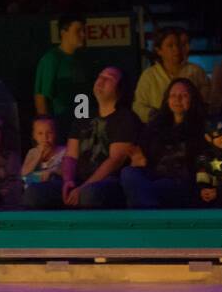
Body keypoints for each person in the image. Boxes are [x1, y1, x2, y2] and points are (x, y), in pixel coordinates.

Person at [28, 66, 139, 208]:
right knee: (34, 193)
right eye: (100, 76)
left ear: (120, 88)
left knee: (89, 195)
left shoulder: (126, 118)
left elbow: (115, 160)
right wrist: (68, 181)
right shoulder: (83, 116)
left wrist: (84, 187)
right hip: (78, 181)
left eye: (108, 78)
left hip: (107, 182)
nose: (101, 80)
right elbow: (71, 156)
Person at [122, 78, 205, 208]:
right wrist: (140, 162)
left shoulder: (202, 127)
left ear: (192, 99)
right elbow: (142, 157)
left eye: (183, 95)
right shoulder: (155, 126)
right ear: (167, 99)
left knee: (149, 189)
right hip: (154, 176)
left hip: (182, 182)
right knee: (128, 173)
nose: (177, 99)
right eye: (173, 95)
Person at [132, 26, 211, 124]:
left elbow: (207, 101)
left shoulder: (195, 71)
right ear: (159, 50)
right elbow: (138, 106)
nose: (176, 49)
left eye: (178, 45)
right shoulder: (149, 75)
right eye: (170, 46)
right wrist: (157, 116)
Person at [33, 13, 89, 136]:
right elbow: (41, 97)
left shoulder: (80, 60)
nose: (83, 35)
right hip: (60, 129)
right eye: (78, 31)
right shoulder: (51, 59)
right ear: (64, 33)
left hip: (78, 130)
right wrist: (47, 133)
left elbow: (82, 96)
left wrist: (84, 125)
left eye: (84, 31)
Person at [20, 115, 66, 205]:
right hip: (33, 191)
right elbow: (23, 173)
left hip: (53, 190)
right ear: (34, 136)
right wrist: (39, 156)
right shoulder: (32, 152)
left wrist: (52, 172)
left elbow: (66, 171)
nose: (45, 137)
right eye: (40, 133)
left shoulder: (63, 151)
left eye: (49, 133)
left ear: (55, 133)